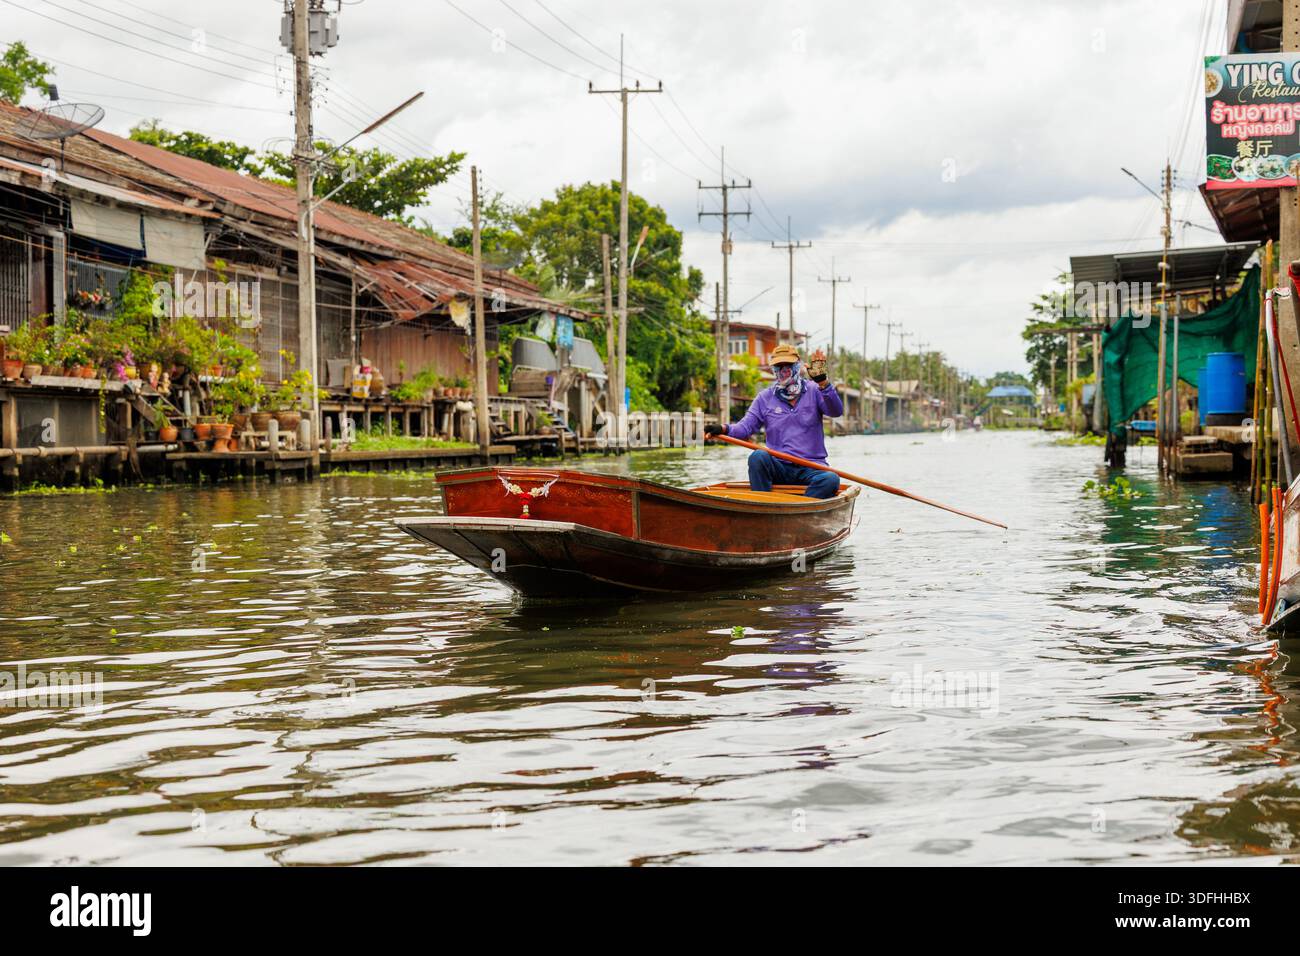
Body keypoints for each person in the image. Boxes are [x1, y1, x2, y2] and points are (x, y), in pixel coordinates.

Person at [704, 344, 844, 498]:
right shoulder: (765, 397)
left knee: (831, 479)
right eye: (779, 366)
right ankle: (763, 505)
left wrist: (823, 382)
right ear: (774, 369)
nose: (784, 370)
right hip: (779, 466)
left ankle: (800, 508)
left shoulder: (815, 390)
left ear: (797, 365)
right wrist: (723, 428)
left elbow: (836, 411)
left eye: (788, 365)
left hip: (811, 467)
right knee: (758, 456)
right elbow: (745, 428)